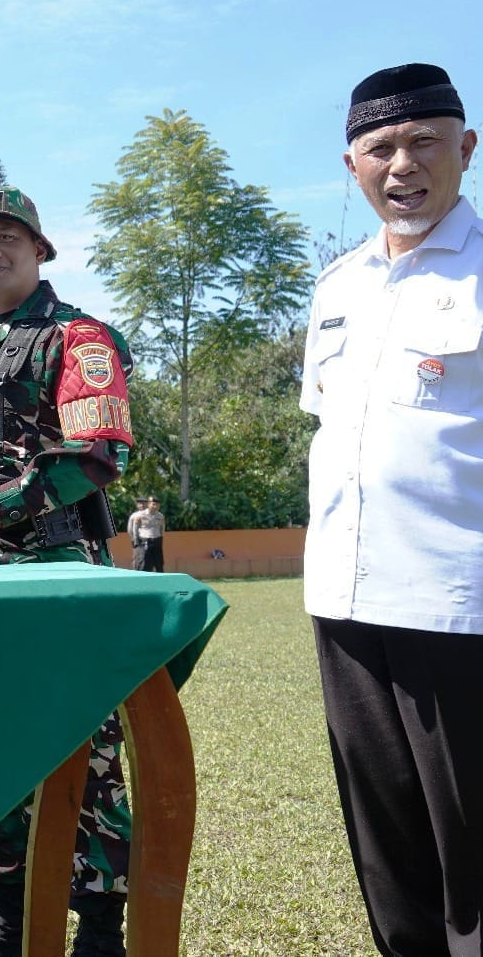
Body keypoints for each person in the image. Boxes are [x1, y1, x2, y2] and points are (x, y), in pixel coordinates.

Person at [0, 186, 135, 957]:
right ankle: (6, 919)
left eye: (7, 236)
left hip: (53, 568)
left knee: (85, 743)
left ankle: (103, 928)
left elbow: (94, 457)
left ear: (40, 249)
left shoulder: (79, 338)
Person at [301, 63, 483, 957]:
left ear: (467, 149)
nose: (401, 164)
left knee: (472, 846)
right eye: (380, 147)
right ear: (352, 164)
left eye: (424, 142)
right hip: (341, 599)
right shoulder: (335, 287)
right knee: (385, 843)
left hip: (457, 601)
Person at [126, 496, 165, 572]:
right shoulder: (139, 515)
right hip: (143, 541)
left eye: (157, 504)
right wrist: (136, 539)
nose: (155, 506)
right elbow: (132, 529)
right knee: (142, 562)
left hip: (156, 540)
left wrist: (158, 537)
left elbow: (162, 529)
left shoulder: (160, 516)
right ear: (149, 504)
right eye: (153, 504)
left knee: (159, 563)